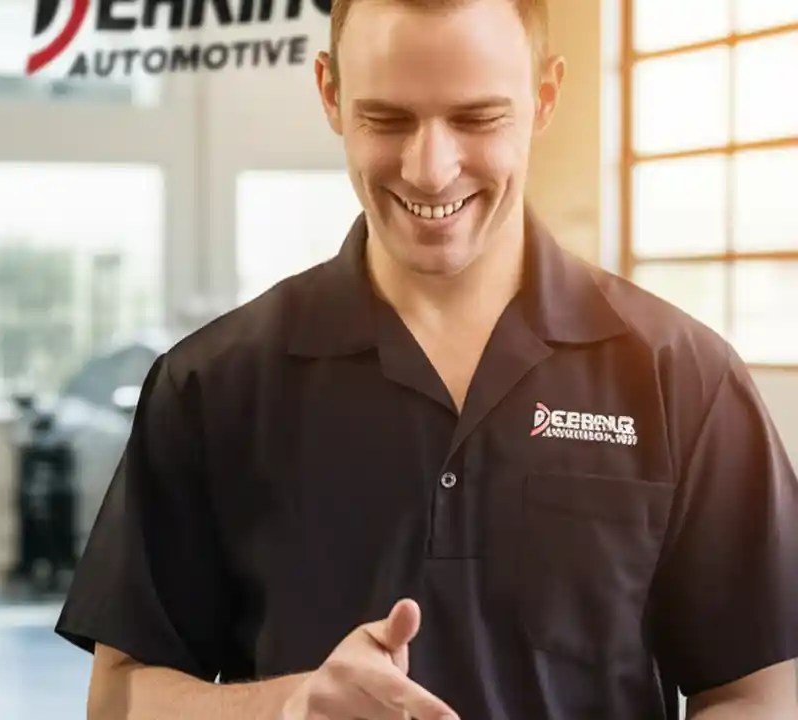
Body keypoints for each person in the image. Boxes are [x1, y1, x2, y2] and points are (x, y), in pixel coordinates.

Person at [55, 0, 798, 717]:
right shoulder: (211, 386)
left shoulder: (683, 377)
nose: (431, 170)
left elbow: (757, 688)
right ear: (329, 93)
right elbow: (121, 698)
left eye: (477, 118)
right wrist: (289, 707)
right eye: (387, 118)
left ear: (544, 98)